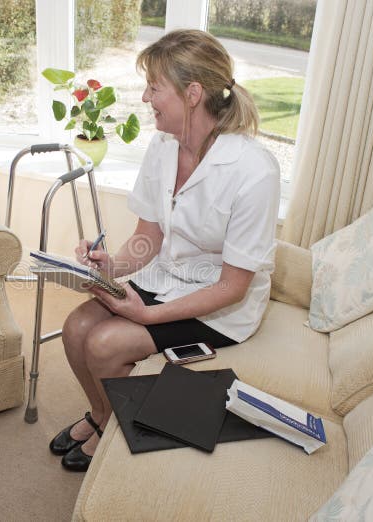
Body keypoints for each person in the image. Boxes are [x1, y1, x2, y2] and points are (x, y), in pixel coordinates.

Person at [49, 29, 280, 472]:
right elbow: (149, 238)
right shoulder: (162, 146)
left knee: (104, 344)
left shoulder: (254, 171)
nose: (144, 97)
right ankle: (102, 417)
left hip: (219, 304)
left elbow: (233, 287)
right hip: (166, 278)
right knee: (77, 326)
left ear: (193, 94)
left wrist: (147, 315)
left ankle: (119, 438)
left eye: (155, 87)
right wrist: (111, 264)